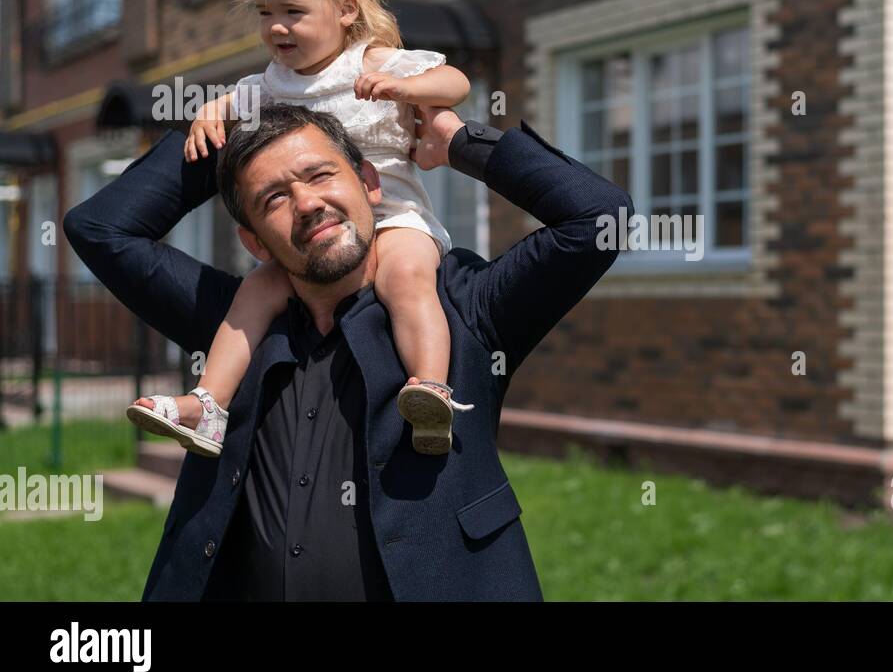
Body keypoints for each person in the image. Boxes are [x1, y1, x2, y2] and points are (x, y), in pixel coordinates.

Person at [65, 100, 632, 600]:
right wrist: (217, 132)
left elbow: (597, 218)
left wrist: (458, 140)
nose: (307, 204)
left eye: (319, 175)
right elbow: (100, 228)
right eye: (274, 198)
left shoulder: (464, 306)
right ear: (255, 241)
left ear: (369, 182)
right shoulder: (234, 325)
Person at [127, 0, 473, 457]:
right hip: (316, 235)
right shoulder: (272, 82)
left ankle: (431, 390)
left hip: (394, 218)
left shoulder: (373, 59)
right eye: (265, 13)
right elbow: (224, 102)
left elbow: (454, 83)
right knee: (255, 291)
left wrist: (405, 90)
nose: (277, 27)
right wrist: (208, 114)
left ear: (345, 9)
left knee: (407, 278)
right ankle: (210, 405)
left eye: (292, 11)